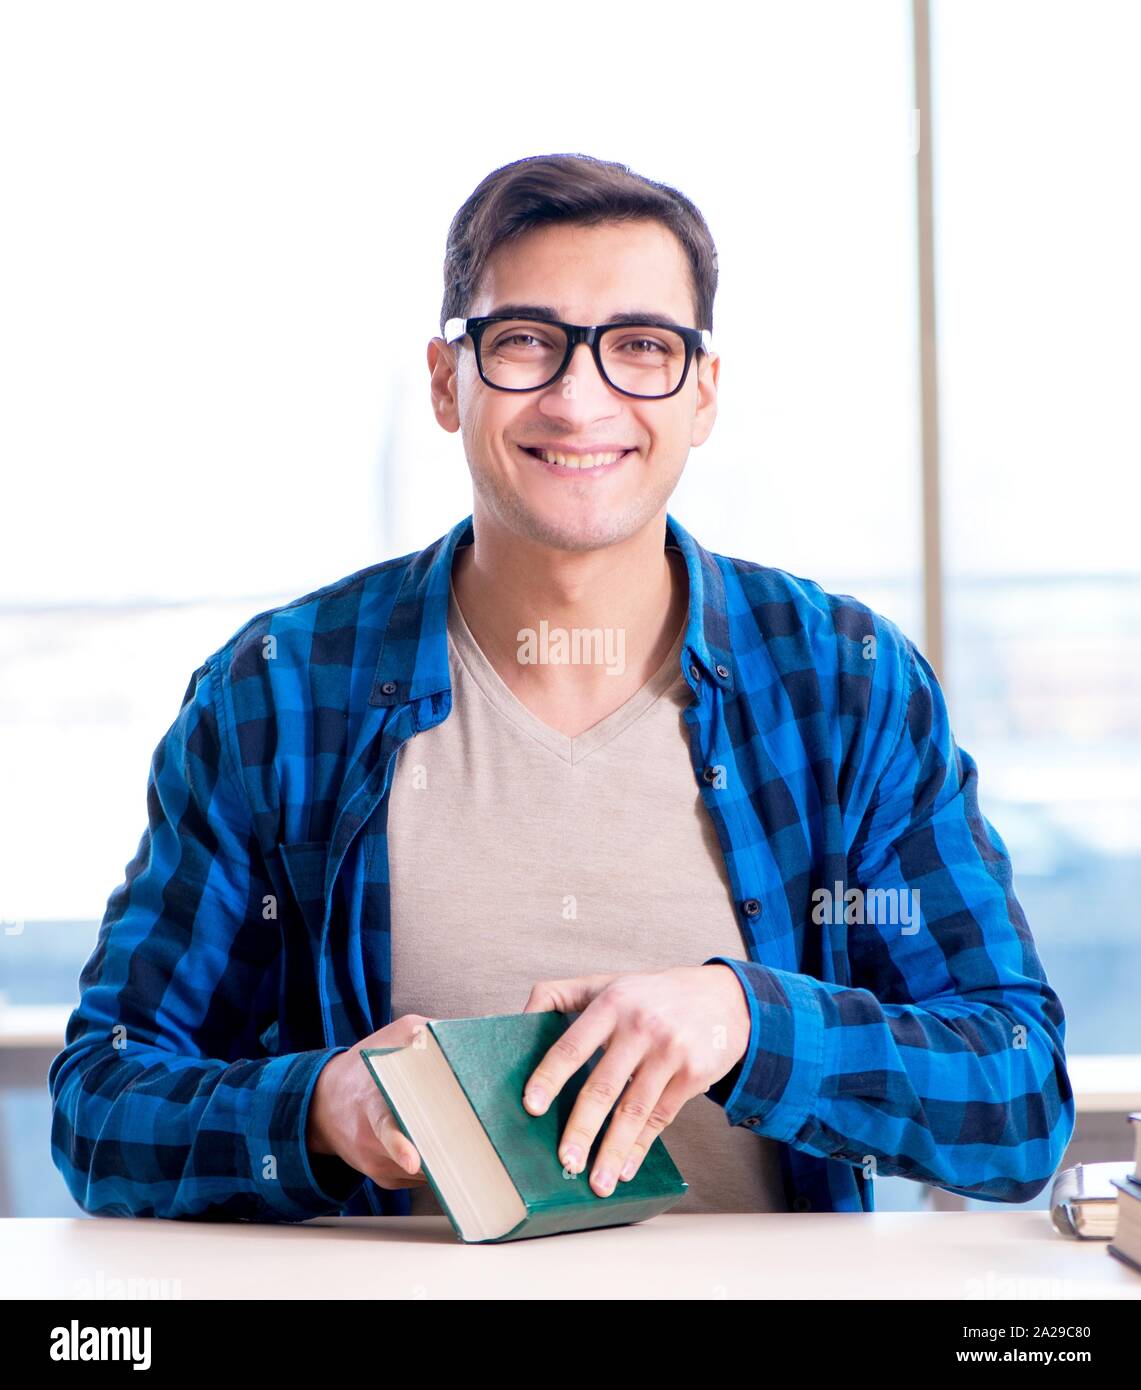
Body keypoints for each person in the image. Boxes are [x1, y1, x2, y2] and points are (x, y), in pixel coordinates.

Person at [49, 153, 1074, 1221]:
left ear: (701, 395)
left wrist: (749, 1020)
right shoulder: (278, 692)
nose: (579, 398)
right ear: (449, 382)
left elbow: (1013, 1101)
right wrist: (317, 1106)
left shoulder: (845, 685)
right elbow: (100, 1106)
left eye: (640, 347)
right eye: (527, 342)